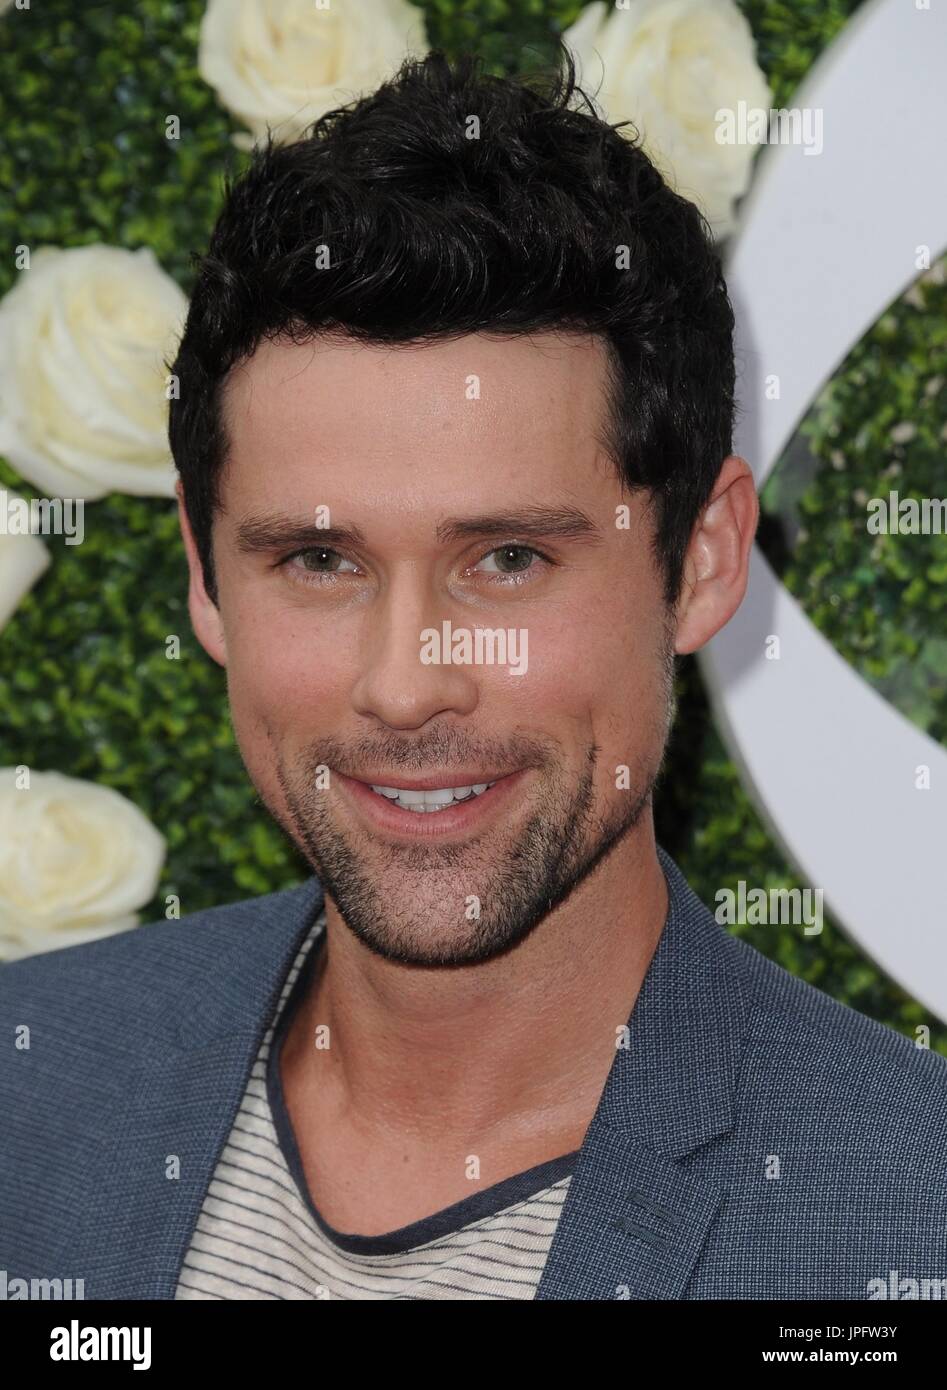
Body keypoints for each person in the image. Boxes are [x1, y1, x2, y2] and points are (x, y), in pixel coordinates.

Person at [2, 46, 945, 1302]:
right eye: (319, 559)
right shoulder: (32, 1078)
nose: (405, 686)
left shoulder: (906, 1216)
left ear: (702, 560)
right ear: (203, 573)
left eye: (506, 558)